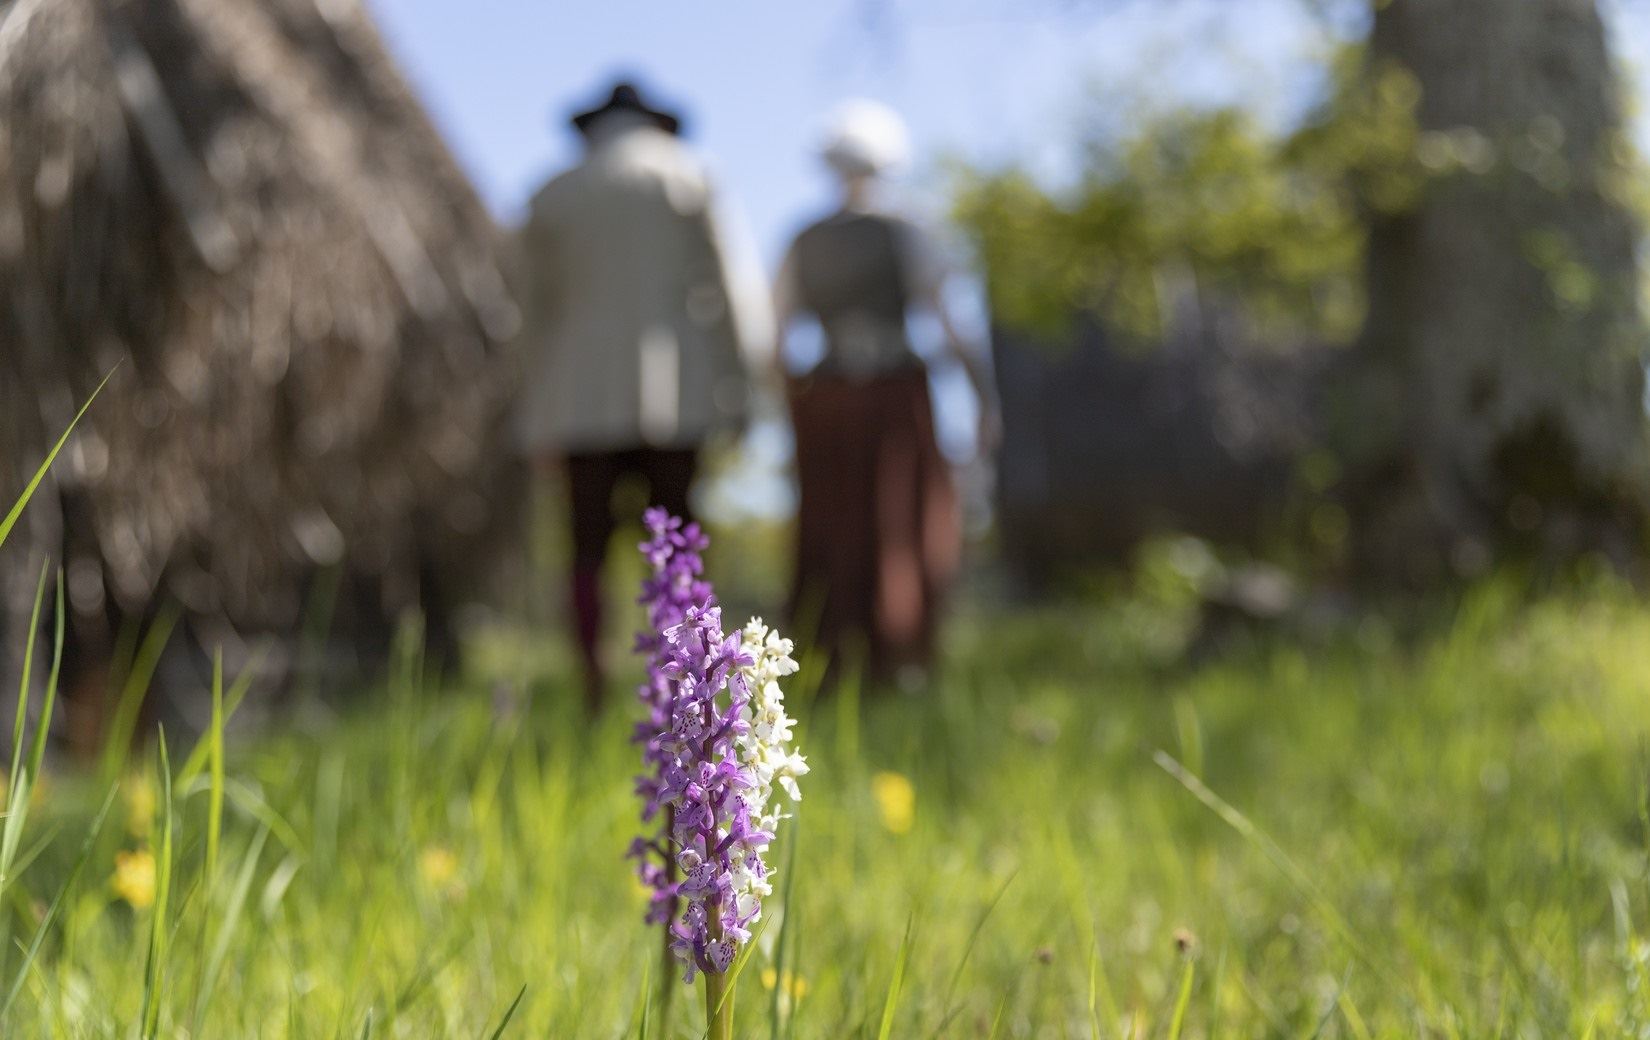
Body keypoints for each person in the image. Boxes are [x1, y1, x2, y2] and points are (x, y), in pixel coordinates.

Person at [515, 80, 769, 709]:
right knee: (680, 546)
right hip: (674, 394)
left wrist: (532, 413)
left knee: (586, 549)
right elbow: (732, 286)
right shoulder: (688, 176)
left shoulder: (554, 192)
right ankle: (691, 698)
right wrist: (746, 388)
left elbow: (528, 310)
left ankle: (592, 687)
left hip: (576, 398)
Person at [771, 100, 999, 685]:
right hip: (892, 396)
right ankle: (894, 662)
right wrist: (983, 398)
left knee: (845, 526)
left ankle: (840, 664)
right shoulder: (911, 231)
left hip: (825, 398)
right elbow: (953, 323)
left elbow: (775, 336)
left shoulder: (805, 238)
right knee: (898, 521)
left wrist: (786, 406)